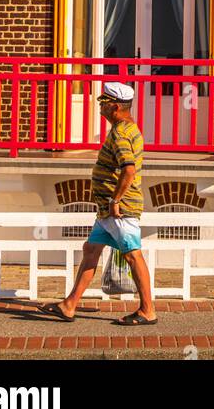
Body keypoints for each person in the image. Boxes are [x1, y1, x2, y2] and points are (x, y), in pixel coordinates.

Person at [39, 80, 157, 326]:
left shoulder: (121, 133)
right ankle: (69, 305)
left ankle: (148, 310)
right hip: (107, 211)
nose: (99, 106)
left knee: (133, 255)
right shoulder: (128, 129)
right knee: (91, 250)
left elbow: (129, 170)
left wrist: (116, 200)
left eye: (103, 102)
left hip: (119, 210)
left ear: (115, 107)